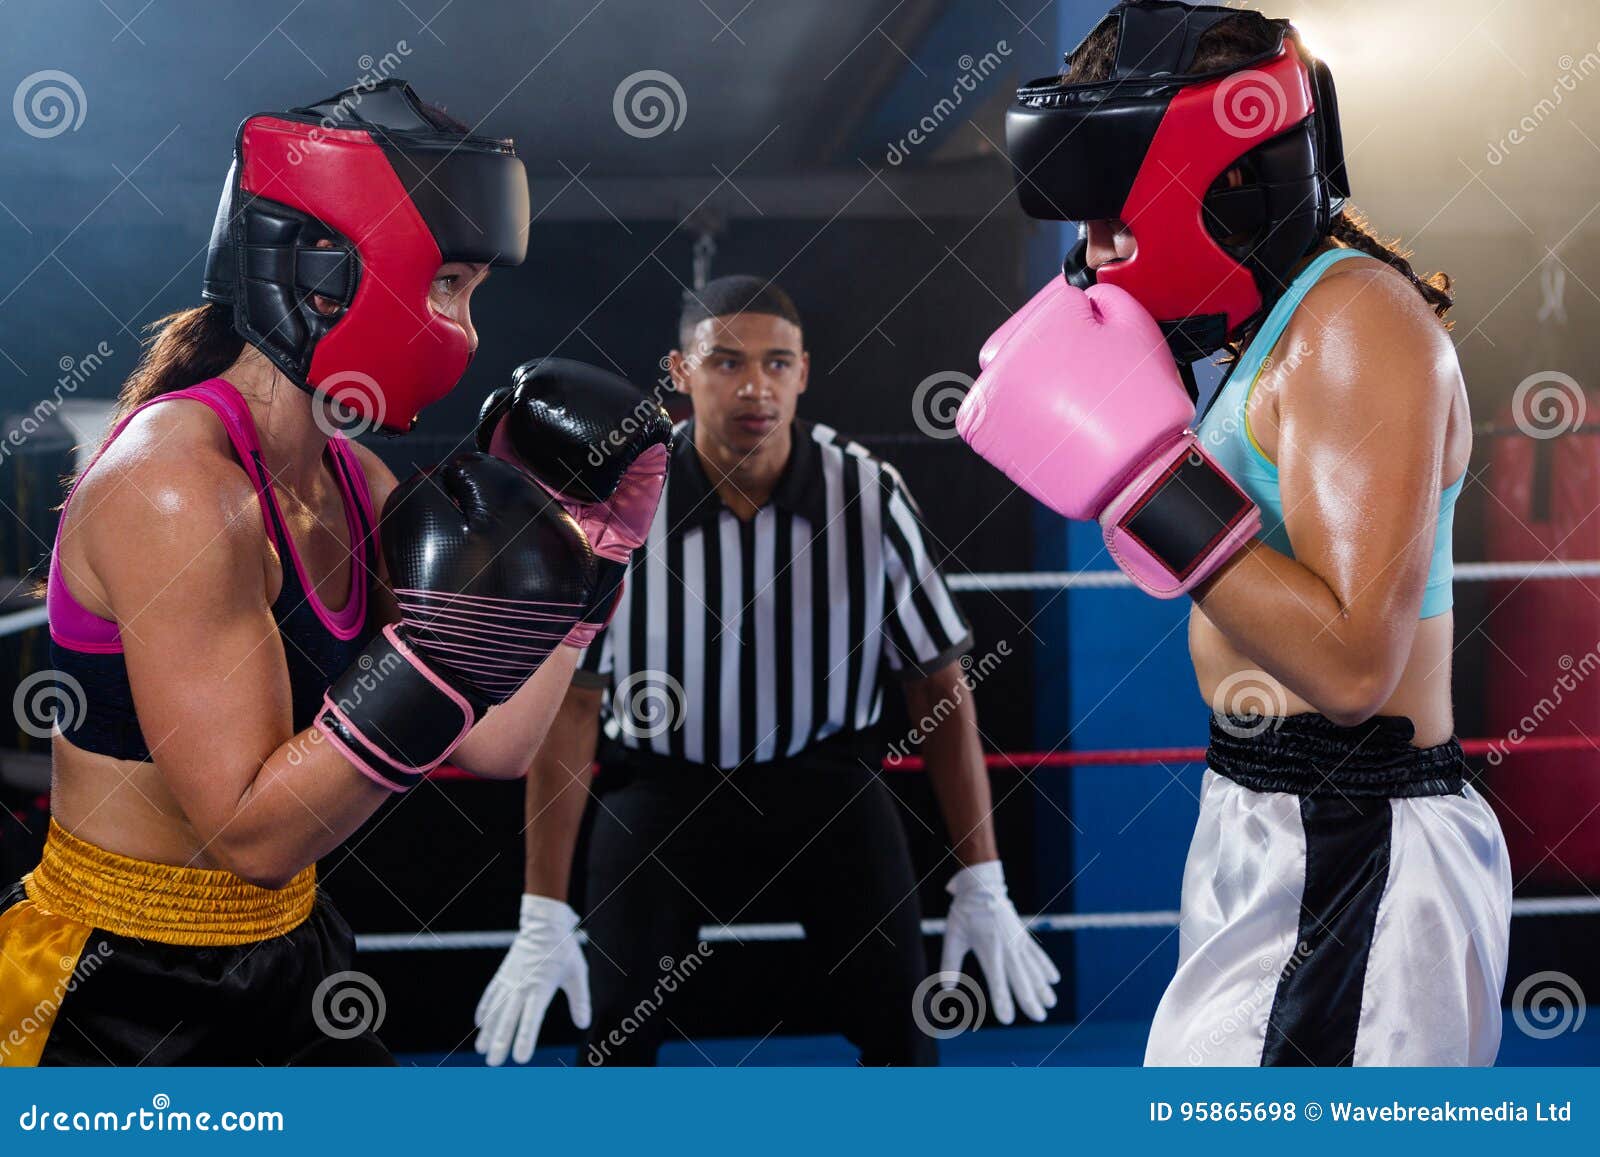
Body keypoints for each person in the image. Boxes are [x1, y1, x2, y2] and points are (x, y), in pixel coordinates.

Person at [0, 79, 665, 1066]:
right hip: (120, 982)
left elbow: (496, 745)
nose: (470, 330)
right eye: (447, 284)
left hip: (291, 957)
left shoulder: (353, 475)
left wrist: (594, 556)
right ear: (323, 275)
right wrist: (431, 654)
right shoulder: (179, 489)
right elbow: (256, 836)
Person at [959, 1, 1510, 1065]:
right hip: (1280, 827)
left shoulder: (1354, 325)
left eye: (1112, 211)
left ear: (1212, 182)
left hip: (1352, 839)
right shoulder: (1278, 331)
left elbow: (1353, 668)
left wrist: (1144, 482)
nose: (1093, 251)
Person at [472, 275, 1058, 1067]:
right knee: (612, 1033)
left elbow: (938, 688)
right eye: (726, 363)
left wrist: (983, 876)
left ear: (805, 373)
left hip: (823, 781)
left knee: (904, 1026)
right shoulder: (618, 501)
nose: (755, 386)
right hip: (662, 786)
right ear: (678, 372)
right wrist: (542, 910)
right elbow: (574, 706)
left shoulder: (866, 492)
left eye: (778, 364)